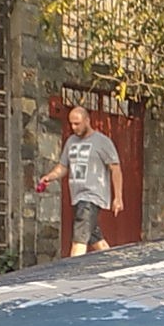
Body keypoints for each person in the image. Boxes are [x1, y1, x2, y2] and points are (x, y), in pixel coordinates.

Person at [37, 106, 123, 256]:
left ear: (87, 121)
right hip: (77, 197)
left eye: (77, 123)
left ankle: (74, 268)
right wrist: (49, 177)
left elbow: (115, 169)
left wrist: (118, 197)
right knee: (95, 238)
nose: (73, 127)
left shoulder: (102, 142)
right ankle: (115, 262)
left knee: (79, 239)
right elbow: (63, 166)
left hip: (91, 197)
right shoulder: (71, 142)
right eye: (71, 123)